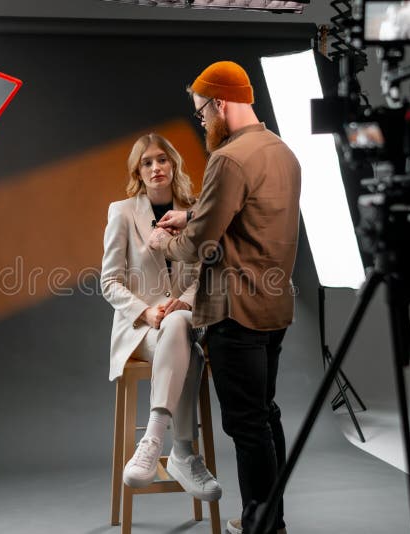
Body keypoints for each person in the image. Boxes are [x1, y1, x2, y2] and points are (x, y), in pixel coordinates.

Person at [149, 61, 301, 534]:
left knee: (246, 425)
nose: (200, 122)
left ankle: (260, 525)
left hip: (235, 310)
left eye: (200, 114)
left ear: (219, 104)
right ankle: (270, 518)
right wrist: (190, 212)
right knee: (265, 415)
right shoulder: (282, 152)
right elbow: (245, 216)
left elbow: (198, 245)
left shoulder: (229, 158)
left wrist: (165, 241)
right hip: (273, 306)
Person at [101, 133, 222, 502]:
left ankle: (154, 438)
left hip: (183, 321)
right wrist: (147, 310)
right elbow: (109, 281)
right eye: (147, 162)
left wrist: (184, 302)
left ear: (173, 164)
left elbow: (206, 272)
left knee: (180, 325)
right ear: (138, 171)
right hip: (142, 332)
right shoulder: (121, 211)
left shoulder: (196, 209)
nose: (156, 168)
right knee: (191, 352)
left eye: (162, 160)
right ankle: (183, 451)